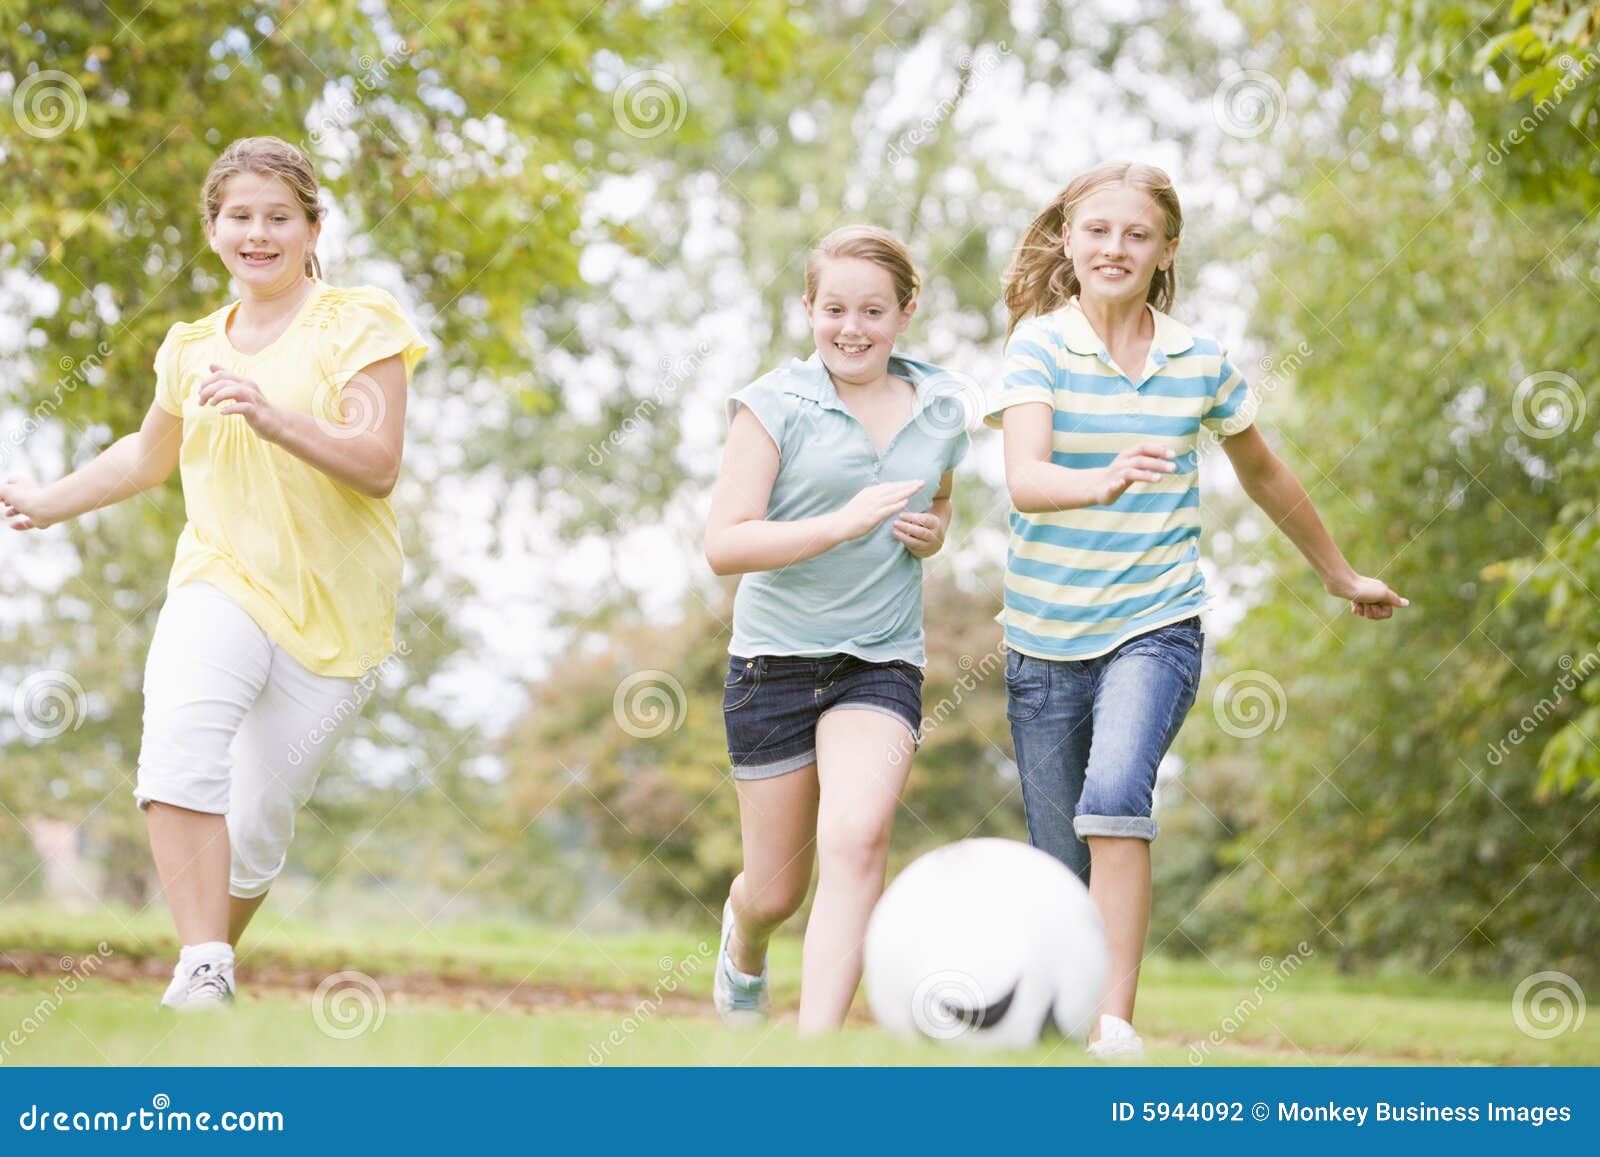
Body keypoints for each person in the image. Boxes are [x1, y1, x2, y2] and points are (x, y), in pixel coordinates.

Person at [987, 161, 1406, 1057]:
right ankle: (1059, 1029)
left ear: (1166, 250)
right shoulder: (1037, 348)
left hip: (1155, 622)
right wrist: (1099, 481)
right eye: (1097, 230)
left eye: (1137, 234)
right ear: (1067, 236)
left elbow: (1263, 472)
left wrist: (1337, 573)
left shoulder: (1198, 360)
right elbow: (1024, 480)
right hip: (1043, 639)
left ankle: (1115, 1025)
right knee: (1060, 863)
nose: (1115, 248)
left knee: (1113, 795)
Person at [1, 136, 426, 1010]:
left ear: (313, 227)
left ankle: (206, 964)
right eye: (240, 217)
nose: (258, 233)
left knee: (260, 820)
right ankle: (205, 966)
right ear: (214, 229)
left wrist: (274, 418)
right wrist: (49, 499)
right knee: (179, 745)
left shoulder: (358, 321)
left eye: (279, 217)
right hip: (219, 575)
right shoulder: (190, 347)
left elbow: (377, 459)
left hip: (335, 609)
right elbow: (146, 457)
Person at [702, 225, 969, 1033]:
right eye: (835, 310)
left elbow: (940, 496)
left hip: (879, 662)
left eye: (874, 311)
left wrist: (936, 529)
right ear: (809, 309)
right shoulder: (773, 404)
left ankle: (812, 1051)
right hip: (774, 663)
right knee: (776, 888)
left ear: (906, 311)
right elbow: (725, 544)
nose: (853, 328)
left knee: (856, 838)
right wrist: (838, 524)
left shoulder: (944, 405)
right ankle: (744, 941)